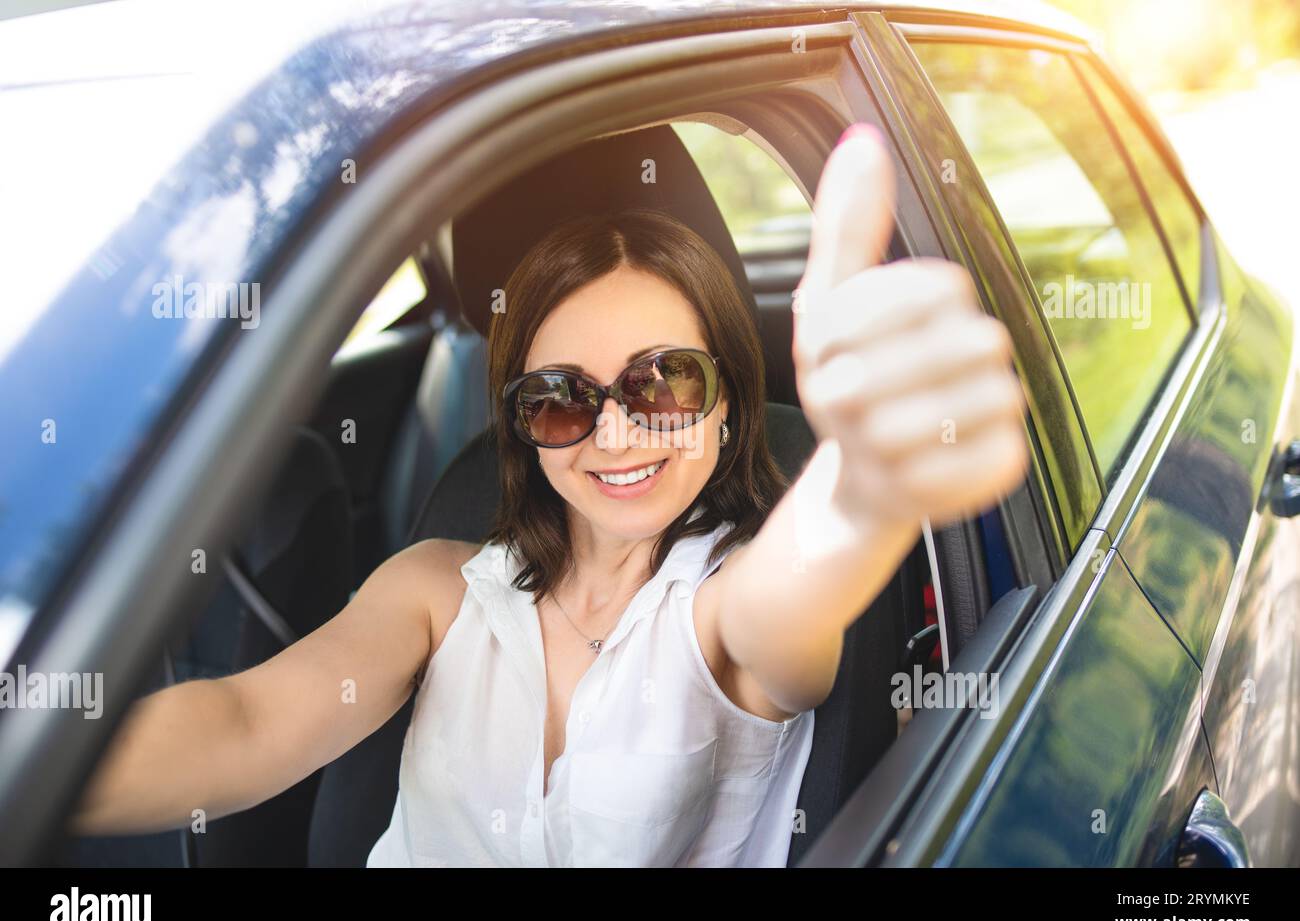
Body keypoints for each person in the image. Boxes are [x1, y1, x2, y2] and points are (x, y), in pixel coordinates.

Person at [69, 124, 1027, 866]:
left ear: (729, 399)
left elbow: (795, 591)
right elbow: (244, 724)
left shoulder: (724, 610)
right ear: (520, 424)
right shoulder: (439, 588)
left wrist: (866, 484)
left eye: (664, 382)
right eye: (562, 397)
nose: (616, 431)